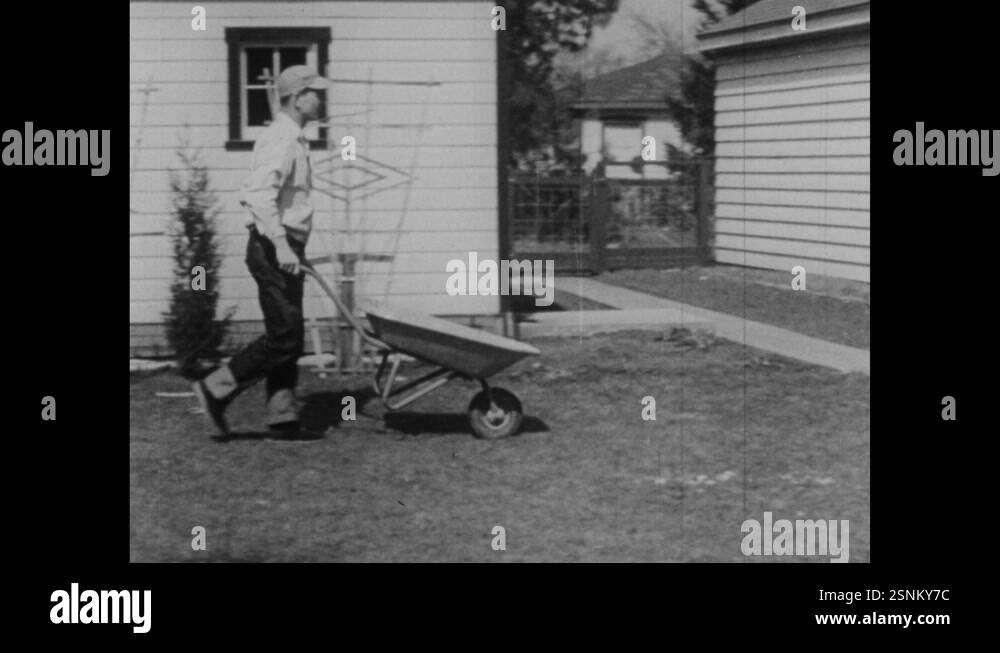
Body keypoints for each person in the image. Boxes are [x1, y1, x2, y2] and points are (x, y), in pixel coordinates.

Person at [192, 65, 331, 436]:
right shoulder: (282, 139)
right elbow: (257, 196)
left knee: (289, 333)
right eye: (314, 92)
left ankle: (283, 416)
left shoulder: (294, 138)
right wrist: (283, 246)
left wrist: (291, 247)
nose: (320, 98)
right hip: (274, 248)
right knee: (285, 336)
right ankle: (214, 388)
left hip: (285, 246)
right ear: (298, 97)